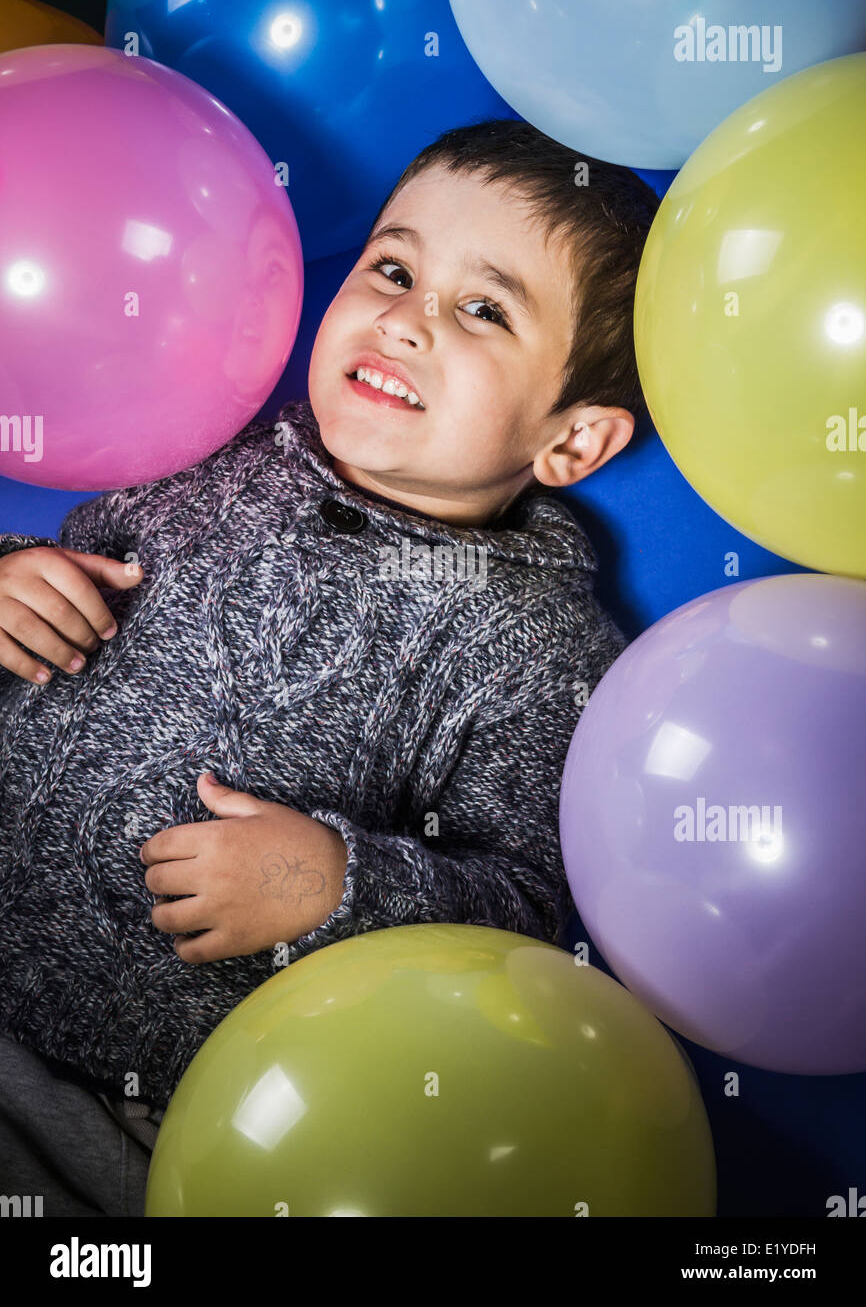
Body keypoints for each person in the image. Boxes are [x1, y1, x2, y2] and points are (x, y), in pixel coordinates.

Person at [0, 117, 658, 1216]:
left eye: (480, 309)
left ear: (571, 444)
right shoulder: (217, 427)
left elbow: (521, 917)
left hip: (149, 1113)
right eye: (392, 269)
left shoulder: (535, 645)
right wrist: (14, 574)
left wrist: (334, 886)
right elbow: (67, 560)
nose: (405, 320)